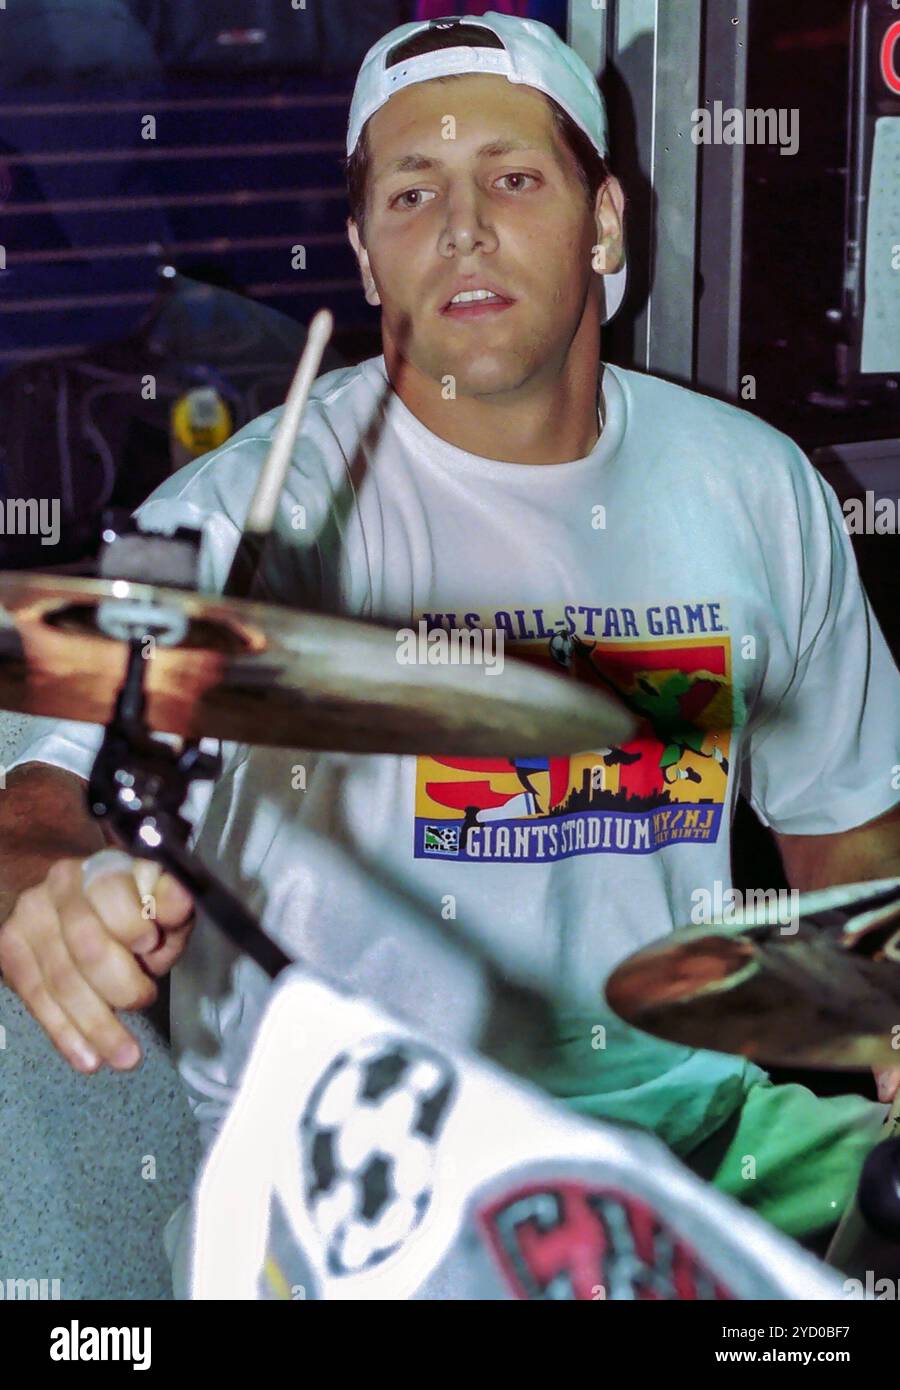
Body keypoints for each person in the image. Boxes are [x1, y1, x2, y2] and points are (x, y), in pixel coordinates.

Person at [2, 13, 900, 1294]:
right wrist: (56, 892)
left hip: (691, 1137)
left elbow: (853, 838)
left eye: (513, 178)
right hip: (358, 1174)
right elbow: (40, 802)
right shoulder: (236, 517)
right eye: (414, 192)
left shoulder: (757, 488)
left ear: (604, 223)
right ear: (367, 257)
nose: (465, 228)